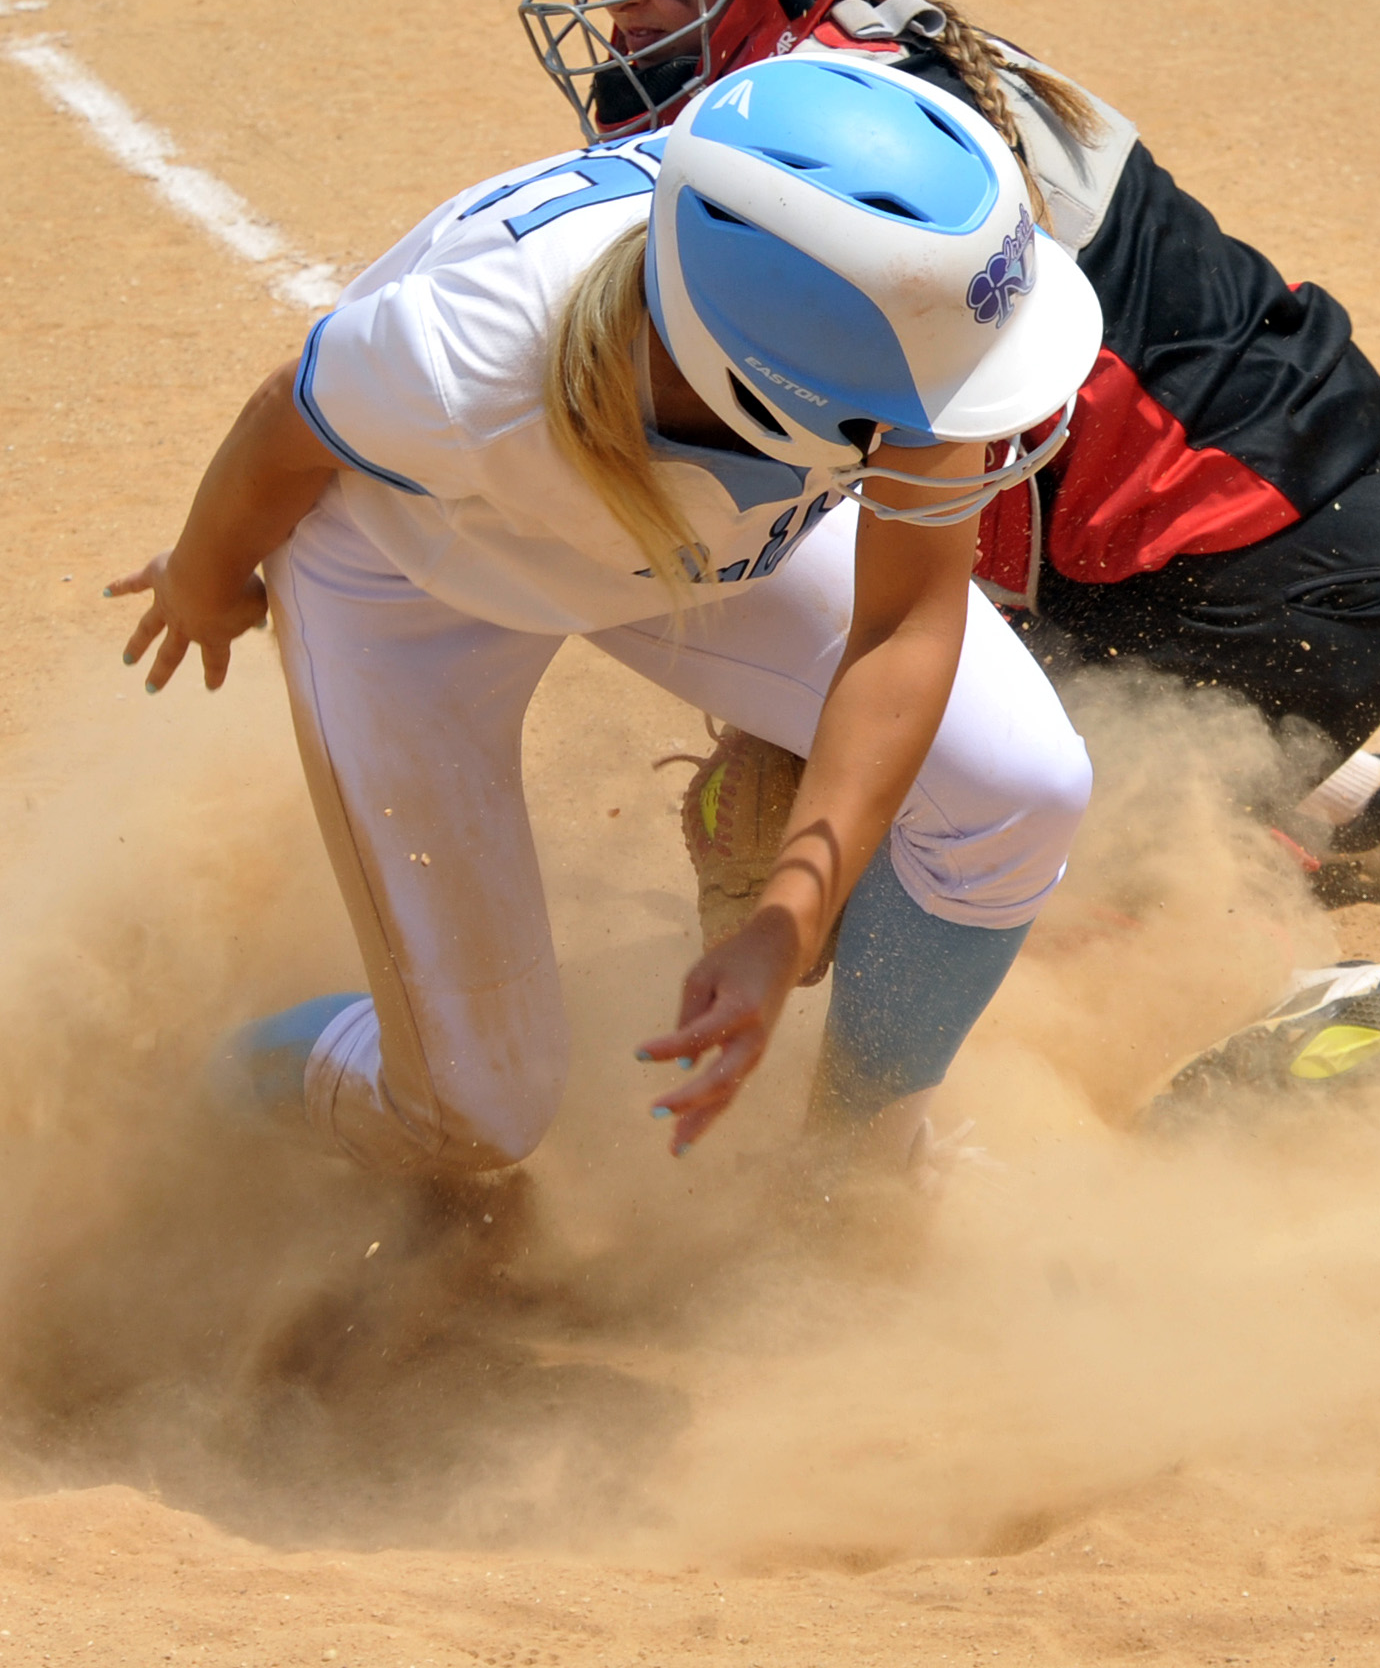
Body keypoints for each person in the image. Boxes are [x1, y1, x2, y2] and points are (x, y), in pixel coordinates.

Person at [512, 0, 1380, 898]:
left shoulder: (839, 158)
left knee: (882, 849)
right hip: (1243, 542)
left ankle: (1233, 924)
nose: (617, 3)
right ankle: (1313, 786)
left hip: (1272, 584)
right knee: (862, 721)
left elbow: (927, 514)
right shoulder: (847, 57)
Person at [107, 57, 1098, 1177]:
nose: (979, 400)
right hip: (414, 575)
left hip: (703, 531)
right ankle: (201, 1084)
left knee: (1017, 790)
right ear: (769, 375)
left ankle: (851, 1174)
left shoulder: (859, 317)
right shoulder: (475, 357)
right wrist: (202, 579)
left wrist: (789, 916)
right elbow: (287, 421)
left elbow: (902, 627)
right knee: (474, 1112)